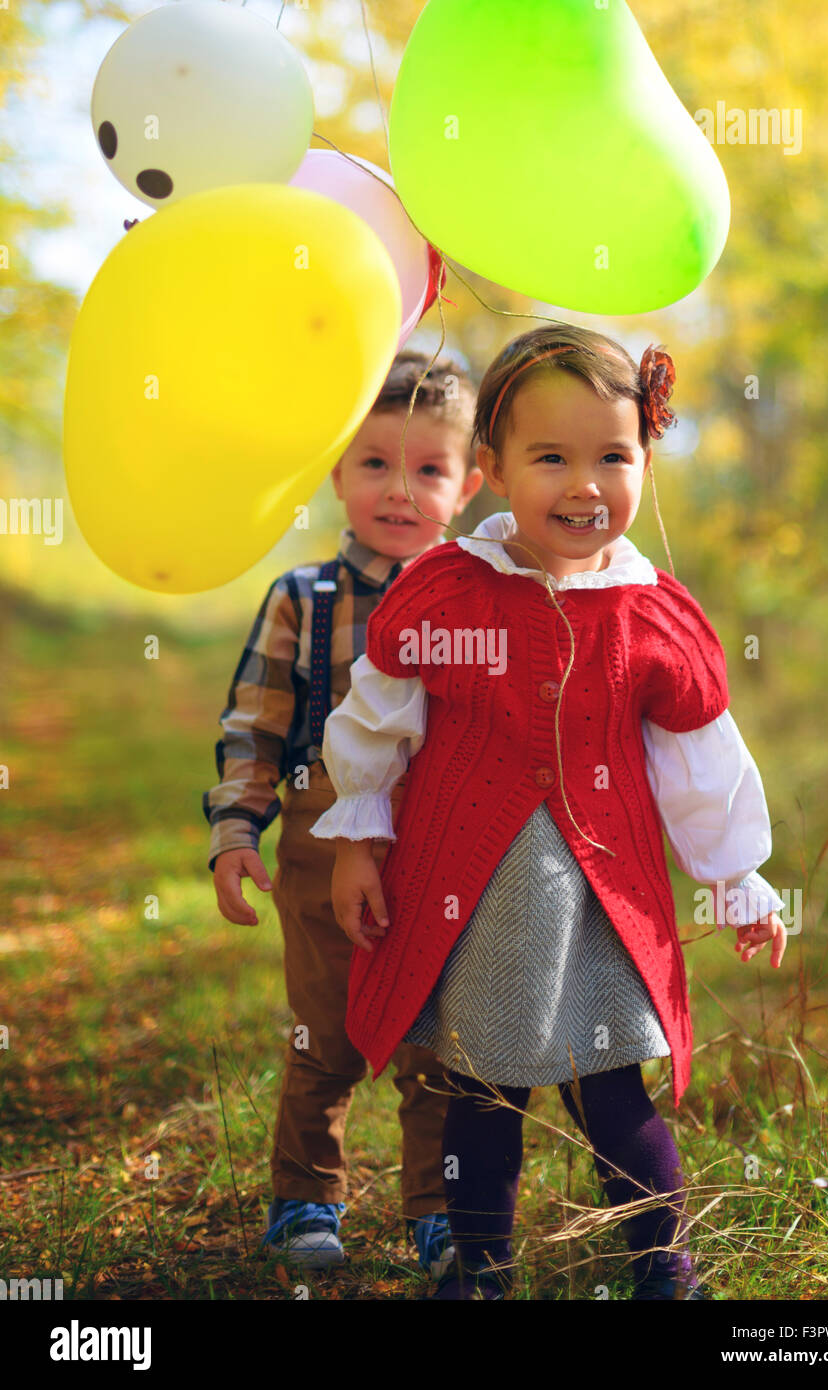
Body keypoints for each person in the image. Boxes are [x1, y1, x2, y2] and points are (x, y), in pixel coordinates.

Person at [308, 324, 789, 1300]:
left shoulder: (649, 612)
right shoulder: (446, 593)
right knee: (484, 1090)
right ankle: (480, 1264)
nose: (586, 484)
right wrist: (360, 839)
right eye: (552, 457)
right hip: (480, 896)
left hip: (605, 902)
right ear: (490, 469)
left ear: (646, 458)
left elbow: (698, 758)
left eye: (613, 455)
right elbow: (379, 724)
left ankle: (664, 1263)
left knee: (614, 1089)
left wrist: (737, 877)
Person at [203, 349, 485, 1276]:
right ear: (336, 468)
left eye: (429, 469)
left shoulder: (485, 602)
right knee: (322, 1031)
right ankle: (303, 1200)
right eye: (374, 464)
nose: (399, 491)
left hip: (442, 852)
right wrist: (239, 828)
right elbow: (257, 723)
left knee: (439, 1043)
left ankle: (439, 1210)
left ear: (470, 483)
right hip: (323, 848)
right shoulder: (304, 599)